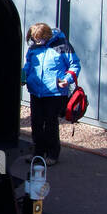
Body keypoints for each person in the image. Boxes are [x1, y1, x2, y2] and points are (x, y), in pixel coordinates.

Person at [22, 22, 81, 165]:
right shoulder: (33, 47)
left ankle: (52, 154)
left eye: (38, 38)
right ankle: (38, 152)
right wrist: (23, 77)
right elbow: (28, 65)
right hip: (36, 91)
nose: (36, 41)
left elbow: (75, 65)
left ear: (46, 35)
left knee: (50, 123)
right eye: (34, 39)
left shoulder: (63, 46)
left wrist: (67, 80)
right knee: (36, 123)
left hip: (55, 93)